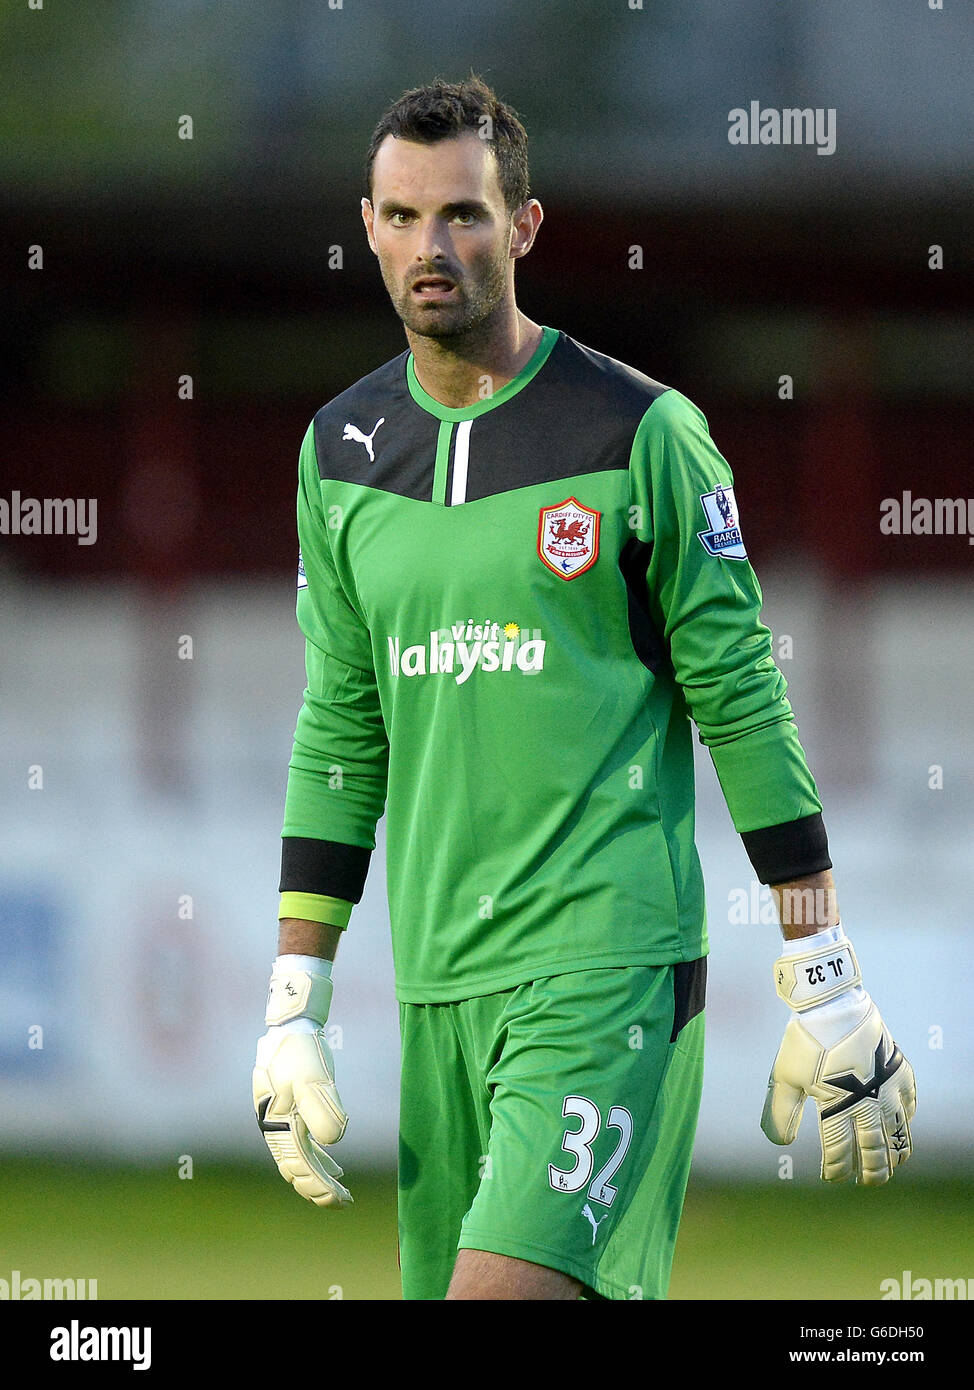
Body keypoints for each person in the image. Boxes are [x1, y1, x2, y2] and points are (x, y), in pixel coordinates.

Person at [252, 76, 916, 1302]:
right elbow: (341, 723)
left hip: (604, 963)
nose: (430, 247)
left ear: (525, 226)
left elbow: (738, 697)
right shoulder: (338, 453)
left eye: (460, 215)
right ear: (366, 226)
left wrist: (822, 969)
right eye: (401, 218)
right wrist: (295, 996)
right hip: (438, 981)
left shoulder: (640, 434)